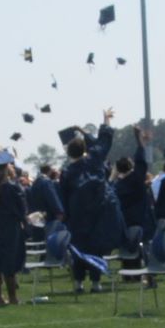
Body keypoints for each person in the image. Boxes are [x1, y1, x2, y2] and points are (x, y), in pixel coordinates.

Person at [61, 110, 122, 294]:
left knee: (79, 248)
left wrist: (67, 216)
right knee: (96, 248)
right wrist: (106, 120)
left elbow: (63, 196)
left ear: (69, 153)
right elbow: (104, 141)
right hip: (99, 212)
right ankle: (96, 283)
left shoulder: (67, 173)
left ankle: (79, 283)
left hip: (78, 214)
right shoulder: (94, 159)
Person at [0, 150, 28, 305]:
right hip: (11, 229)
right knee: (9, 263)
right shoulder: (13, 187)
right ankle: (13, 297)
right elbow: (22, 211)